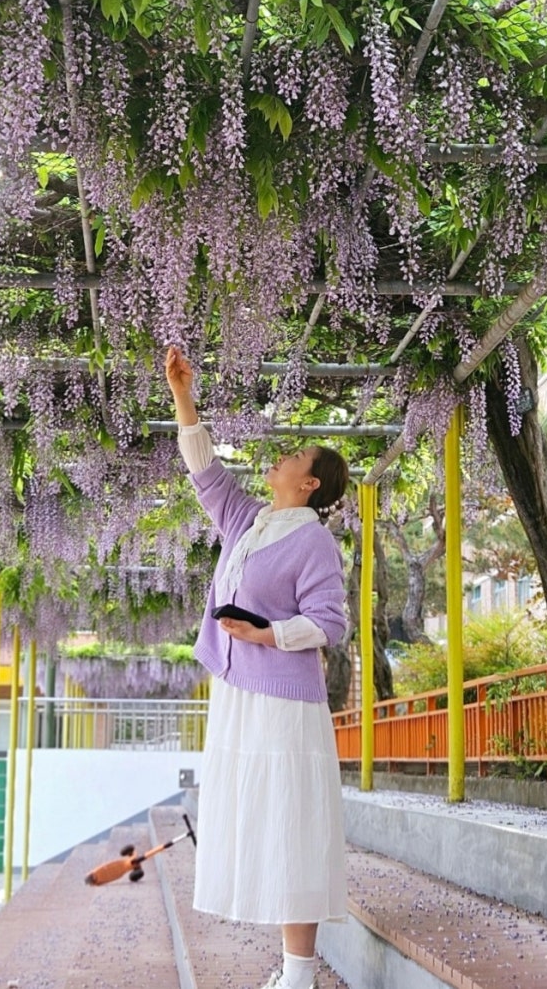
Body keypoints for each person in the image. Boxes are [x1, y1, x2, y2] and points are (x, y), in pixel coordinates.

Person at [165, 346, 350, 989]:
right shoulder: (250, 522)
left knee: (290, 820)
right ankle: (293, 969)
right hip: (239, 693)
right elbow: (205, 473)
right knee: (263, 820)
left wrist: (265, 633)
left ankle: (299, 973)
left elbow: (330, 623)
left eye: (296, 457)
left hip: (284, 701)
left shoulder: (314, 540)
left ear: (311, 483)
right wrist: (184, 395)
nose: (283, 456)